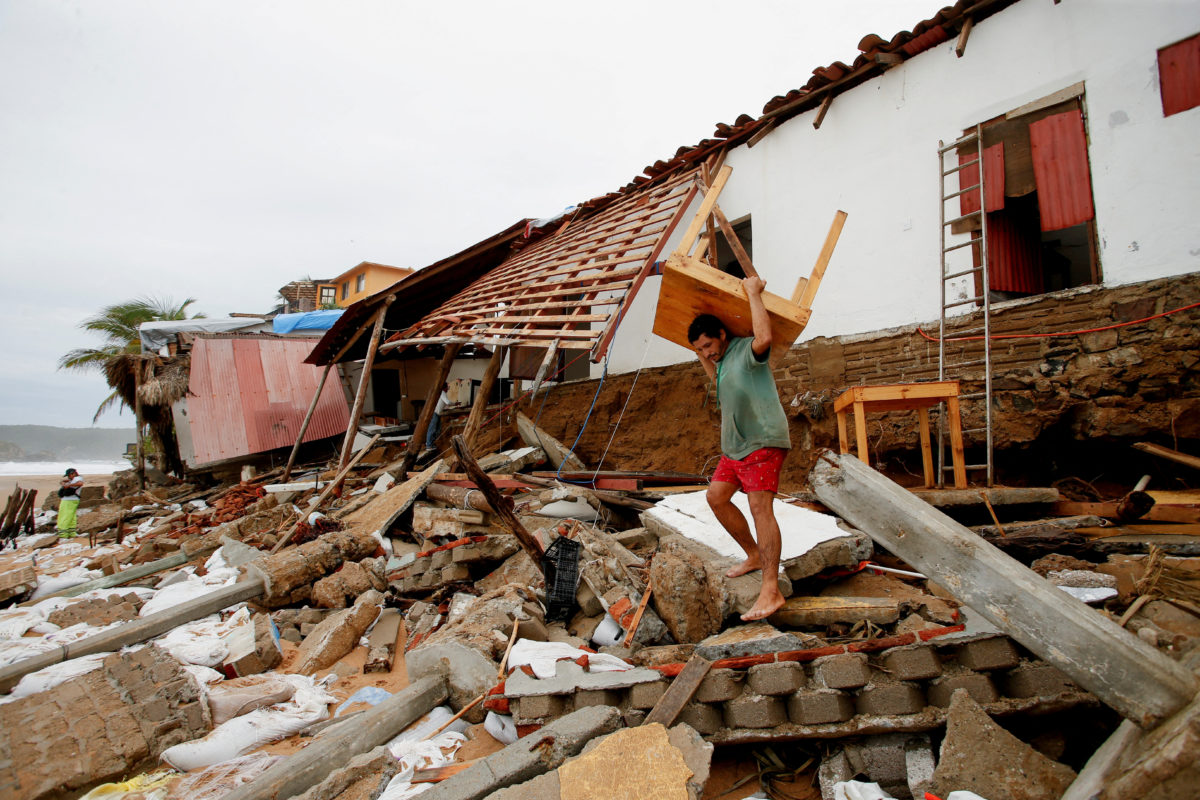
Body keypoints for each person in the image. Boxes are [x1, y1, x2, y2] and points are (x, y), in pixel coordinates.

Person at [689, 276, 791, 621]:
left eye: (708, 345)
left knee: (760, 508)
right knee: (716, 497)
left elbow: (765, 338)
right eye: (700, 350)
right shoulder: (722, 366)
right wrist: (701, 355)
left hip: (762, 439)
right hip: (734, 448)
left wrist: (752, 293)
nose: (707, 352)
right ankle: (754, 554)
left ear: (721, 334)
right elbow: (713, 376)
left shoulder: (745, 351)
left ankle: (771, 589)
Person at [57, 467, 84, 539]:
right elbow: (62, 481)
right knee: (71, 516)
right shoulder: (73, 479)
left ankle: (63, 534)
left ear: (73, 473)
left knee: (64, 516)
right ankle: (71, 532)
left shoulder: (78, 479)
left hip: (69, 500)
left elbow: (80, 483)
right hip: (72, 500)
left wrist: (68, 485)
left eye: (69, 475)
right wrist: (64, 483)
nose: (68, 477)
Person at [424, 383, 450, 451]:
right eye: (448, 387)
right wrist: (455, 403)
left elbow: (443, 404)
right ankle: (429, 445)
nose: (448, 388)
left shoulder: (441, 393)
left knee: (437, 430)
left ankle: (431, 444)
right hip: (435, 413)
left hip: (437, 414)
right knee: (432, 429)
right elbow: (448, 402)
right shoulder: (442, 392)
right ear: (445, 388)